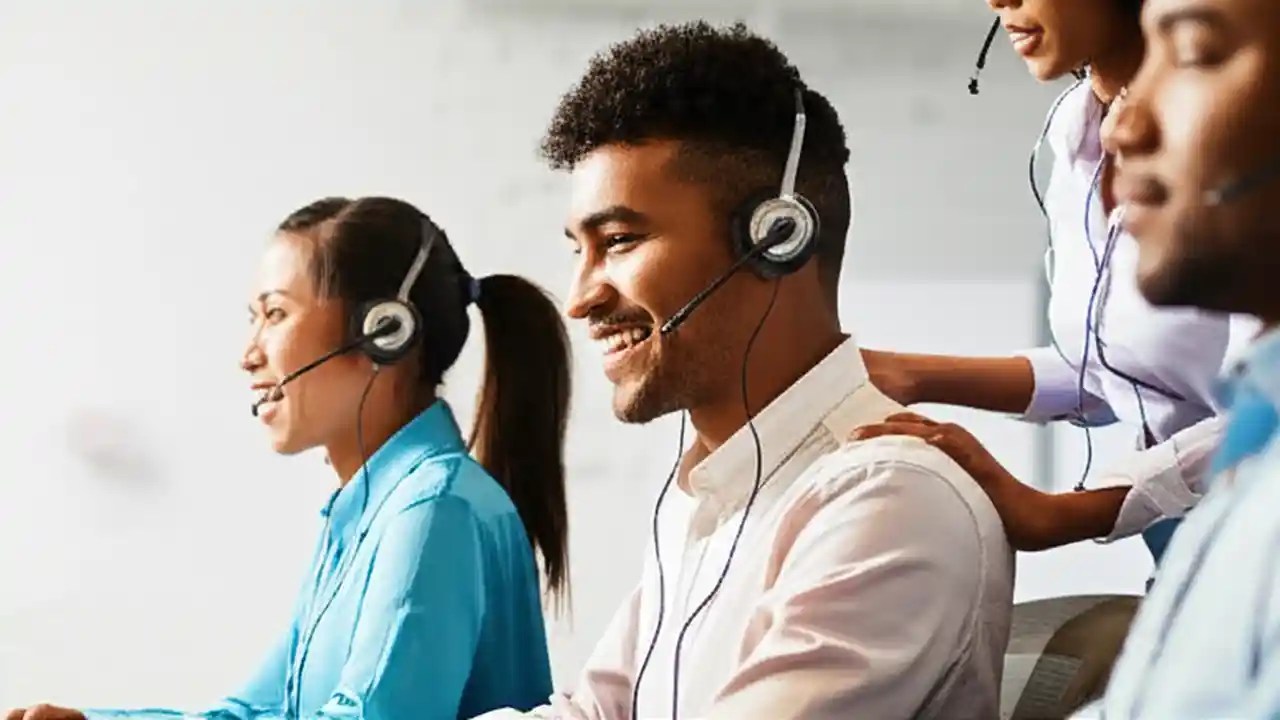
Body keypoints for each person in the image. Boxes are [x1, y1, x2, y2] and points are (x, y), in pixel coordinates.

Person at [479, 21, 1014, 720]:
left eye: (618, 241)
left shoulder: (886, 501)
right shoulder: (711, 495)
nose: (580, 298)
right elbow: (596, 711)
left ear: (775, 237)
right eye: (579, 250)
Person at [7, 196, 573, 720]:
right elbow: (255, 712)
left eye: (275, 315)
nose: (249, 355)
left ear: (384, 332)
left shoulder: (432, 512)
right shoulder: (366, 514)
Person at [860, 0, 1257, 559]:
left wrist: (1063, 513)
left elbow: (1266, 407)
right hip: (1185, 550)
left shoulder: (1242, 137)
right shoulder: (1075, 135)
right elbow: (1108, 368)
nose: (999, 2)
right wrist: (904, 374)